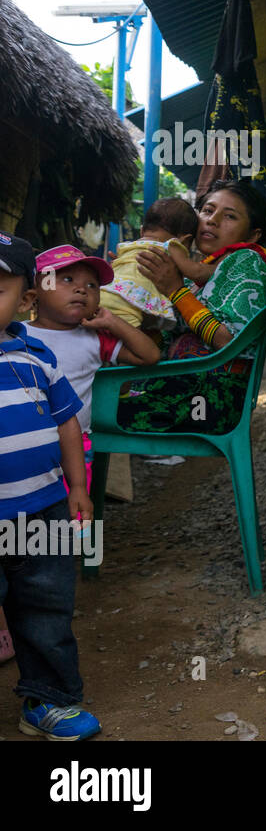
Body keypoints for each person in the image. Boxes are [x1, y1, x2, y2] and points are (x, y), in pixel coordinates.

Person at [0, 232, 100, 739]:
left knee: (46, 606)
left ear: (25, 300)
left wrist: (78, 488)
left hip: (45, 506)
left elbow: (67, 424)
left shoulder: (36, 354)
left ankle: (48, 700)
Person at [116, 180, 266, 434]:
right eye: (207, 211)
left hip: (209, 396)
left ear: (253, 235)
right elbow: (165, 334)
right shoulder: (193, 279)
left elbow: (227, 341)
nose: (212, 220)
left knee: (88, 408)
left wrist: (175, 291)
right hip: (177, 386)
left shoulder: (247, 260)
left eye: (230, 216)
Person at [27, 245, 161, 490]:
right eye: (67, 279)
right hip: (22, 443)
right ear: (36, 291)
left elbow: (150, 355)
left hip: (75, 447)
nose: (82, 289)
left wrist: (113, 321)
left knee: (73, 514)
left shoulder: (96, 338)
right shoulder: (16, 334)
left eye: (92, 286)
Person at [99, 197, 203, 330]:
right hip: (128, 312)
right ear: (185, 240)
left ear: (142, 231)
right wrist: (215, 268)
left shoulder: (127, 247)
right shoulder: (172, 246)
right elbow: (195, 272)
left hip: (103, 295)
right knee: (150, 350)